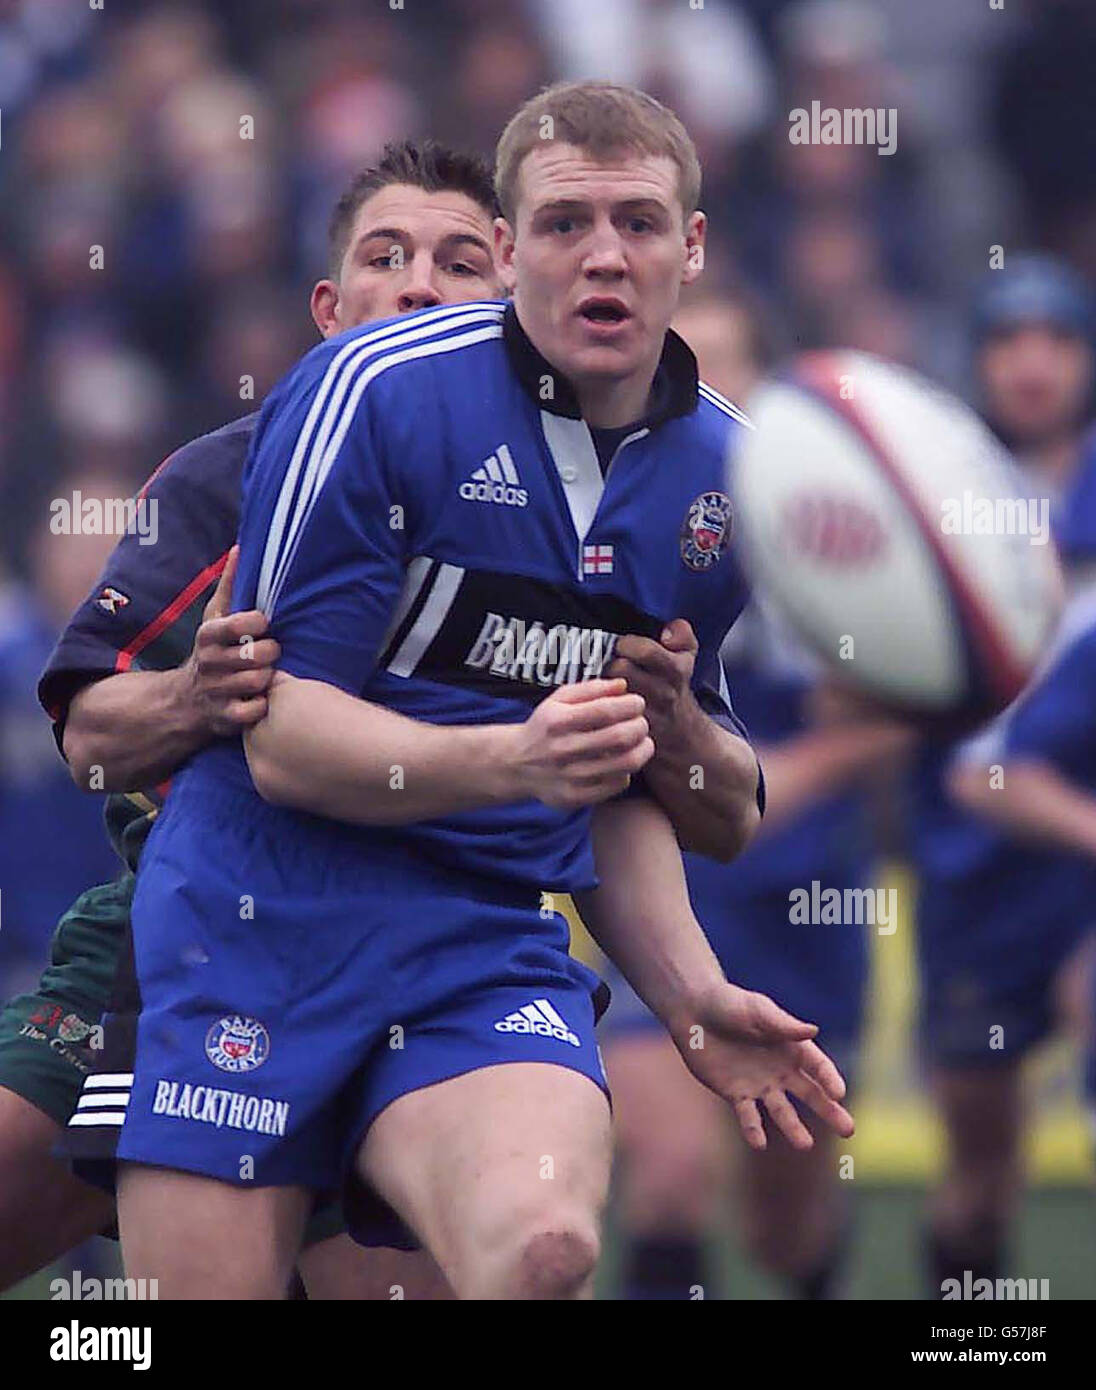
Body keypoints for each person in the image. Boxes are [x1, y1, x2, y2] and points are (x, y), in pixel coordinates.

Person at [105, 81, 853, 1301]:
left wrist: (692, 995)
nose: (603, 254)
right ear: (509, 252)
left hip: (478, 940)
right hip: (256, 920)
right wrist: (517, 762)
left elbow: (659, 794)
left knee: (545, 1247)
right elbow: (282, 739)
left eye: (640, 222)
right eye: (564, 224)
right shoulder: (375, 388)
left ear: (694, 246)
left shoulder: (727, 473)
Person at [0, 140, 508, 1297]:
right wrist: (195, 693)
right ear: (331, 308)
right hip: (177, 933)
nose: (418, 282)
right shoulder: (225, 477)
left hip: (431, 964)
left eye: (458, 260)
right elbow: (89, 739)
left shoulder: (559, 505)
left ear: (509, 304)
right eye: (386, 256)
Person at [600, 295, 910, 1300]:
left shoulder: (836, 536)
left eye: (726, 368)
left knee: (782, 1227)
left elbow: (917, 704)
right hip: (667, 886)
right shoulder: (610, 517)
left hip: (804, 901)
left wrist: (774, 782)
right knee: (671, 1177)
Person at [910, 252, 1096, 1294]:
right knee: (977, 1176)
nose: (1032, 364)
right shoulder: (927, 501)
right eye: (1006, 339)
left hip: (1082, 862)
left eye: (1057, 339)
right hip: (974, 874)